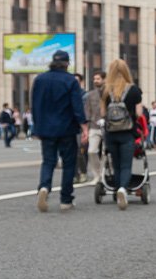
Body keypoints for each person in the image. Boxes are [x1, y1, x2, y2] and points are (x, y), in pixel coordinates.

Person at [31, 50, 88, 212]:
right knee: (69, 163)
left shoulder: (39, 79)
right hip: (66, 128)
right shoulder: (70, 80)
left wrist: (37, 127)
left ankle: (44, 187)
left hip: (46, 128)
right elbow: (77, 106)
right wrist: (84, 126)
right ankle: (65, 199)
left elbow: (35, 105)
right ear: (67, 63)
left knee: (48, 161)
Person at [99, 59, 143, 211]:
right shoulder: (134, 90)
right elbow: (139, 113)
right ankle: (123, 189)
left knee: (116, 164)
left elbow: (102, 113)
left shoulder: (106, 90)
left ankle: (117, 189)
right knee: (126, 165)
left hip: (111, 133)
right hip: (128, 132)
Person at [83, 72, 106, 183]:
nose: (95, 81)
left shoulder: (110, 92)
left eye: (98, 78)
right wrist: (86, 130)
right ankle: (96, 175)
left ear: (104, 79)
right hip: (93, 126)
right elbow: (87, 112)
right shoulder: (90, 95)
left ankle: (104, 174)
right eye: (94, 79)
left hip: (108, 127)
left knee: (106, 153)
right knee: (91, 151)